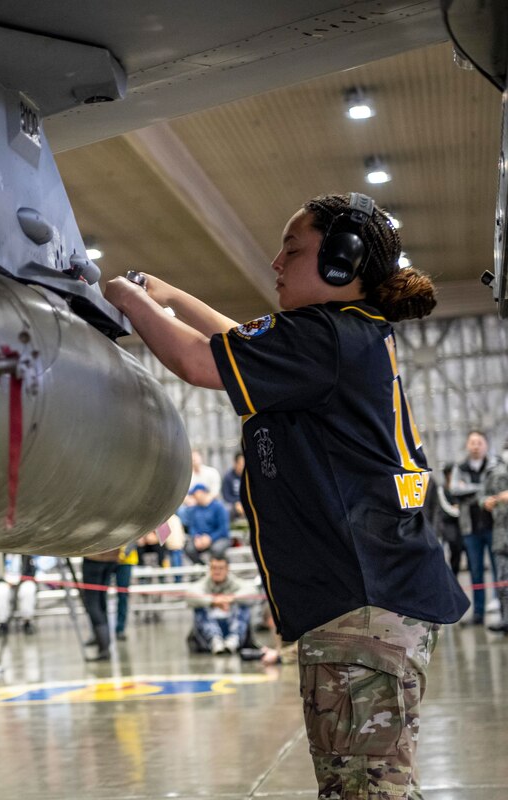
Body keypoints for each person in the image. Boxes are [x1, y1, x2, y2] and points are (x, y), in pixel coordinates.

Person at [102, 192, 468, 799]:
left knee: (361, 791)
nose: (275, 263)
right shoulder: (343, 336)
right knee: (376, 784)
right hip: (377, 600)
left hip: (360, 604)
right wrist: (170, 296)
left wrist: (124, 297)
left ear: (341, 261)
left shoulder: (323, 337)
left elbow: (197, 362)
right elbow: (236, 341)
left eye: (292, 249)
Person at [451, 431, 501, 624]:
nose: (476, 446)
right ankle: (478, 613)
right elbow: (455, 489)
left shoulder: (495, 465)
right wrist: (483, 491)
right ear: (467, 445)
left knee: (499, 570)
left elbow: (499, 490)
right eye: (472, 442)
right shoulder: (460, 467)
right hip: (470, 529)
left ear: (486, 445)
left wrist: (468, 489)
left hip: (494, 527)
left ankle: (503, 612)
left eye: (479, 442)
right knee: (476, 571)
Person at [187, 556, 256, 654]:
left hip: (232, 624)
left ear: (227, 569)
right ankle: (215, 640)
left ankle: (234, 639)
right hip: (208, 632)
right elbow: (190, 594)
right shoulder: (204, 583)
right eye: (214, 568)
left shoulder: (234, 581)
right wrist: (214, 601)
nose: (217, 572)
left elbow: (252, 591)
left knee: (243, 605)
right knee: (199, 608)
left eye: (220, 568)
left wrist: (231, 598)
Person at [81, 544, 137, 659]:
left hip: (95, 557)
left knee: (93, 603)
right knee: (100, 601)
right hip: (111, 557)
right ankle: (103, 645)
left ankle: (104, 648)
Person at [478, 458, 508, 632]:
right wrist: (485, 501)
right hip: (501, 536)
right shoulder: (495, 472)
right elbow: (481, 494)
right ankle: (505, 620)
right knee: (503, 582)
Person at [178, 484, 231, 564]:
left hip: (218, 538)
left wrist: (210, 538)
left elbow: (223, 529)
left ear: (201, 492)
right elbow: (192, 527)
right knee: (189, 549)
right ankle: (202, 567)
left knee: (217, 549)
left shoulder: (219, 507)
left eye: (195, 494)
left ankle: (218, 568)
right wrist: (197, 538)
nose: (193, 497)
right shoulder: (194, 509)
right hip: (201, 539)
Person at [0, 554, 38, 636]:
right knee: (1, 591)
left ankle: (27, 621)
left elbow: (32, 572)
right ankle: (2, 623)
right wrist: (6, 580)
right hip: (4, 582)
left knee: (28, 589)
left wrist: (20, 580)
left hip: (22, 582)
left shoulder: (26, 555)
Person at [220, 453, 247, 527]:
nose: (242, 466)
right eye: (240, 464)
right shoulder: (228, 477)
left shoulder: (248, 477)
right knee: (226, 509)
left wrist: (244, 503)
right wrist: (237, 503)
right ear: (235, 463)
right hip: (233, 504)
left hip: (247, 502)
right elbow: (226, 495)